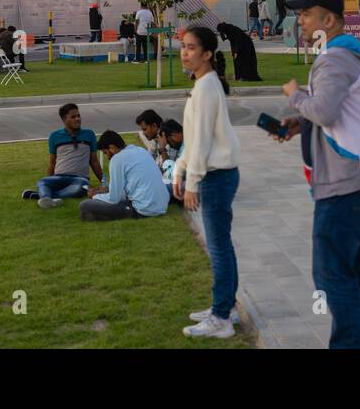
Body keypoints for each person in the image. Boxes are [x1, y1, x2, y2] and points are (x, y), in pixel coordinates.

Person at [275, 0, 360, 350]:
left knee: (332, 275)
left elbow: (326, 109)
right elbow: (340, 112)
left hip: (347, 188)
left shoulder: (332, 59)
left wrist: (295, 96)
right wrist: (301, 120)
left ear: (328, 20)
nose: (300, 22)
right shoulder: (352, 57)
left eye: (305, 15)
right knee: (358, 271)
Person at [174, 26, 242, 339]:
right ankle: (225, 308)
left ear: (207, 54)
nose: (185, 53)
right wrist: (180, 169)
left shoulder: (206, 87)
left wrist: (191, 183)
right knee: (221, 246)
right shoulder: (204, 83)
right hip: (215, 174)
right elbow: (194, 138)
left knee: (218, 248)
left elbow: (200, 141)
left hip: (217, 177)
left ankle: (221, 318)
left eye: (191, 48)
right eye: (183, 47)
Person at [21, 103, 103, 208]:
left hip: (80, 179)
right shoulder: (54, 136)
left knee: (79, 189)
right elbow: (52, 162)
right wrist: (50, 180)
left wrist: (103, 182)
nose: (77, 119)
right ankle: (46, 197)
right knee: (42, 182)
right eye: (73, 117)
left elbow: (94, 162)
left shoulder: (89, 134)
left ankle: (44, 197)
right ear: (64, 119)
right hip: (59, 177)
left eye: (78, 116)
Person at [79, 130, 170, 221]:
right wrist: (106, 191)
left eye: (105, 152)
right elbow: (127, 189)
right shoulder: (141, 150)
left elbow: (114, 199)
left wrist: (95, 195)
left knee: (84, 205)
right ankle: (98, 215)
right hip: (162, 206)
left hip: (143, 209)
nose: (107, 157)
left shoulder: (117, 159)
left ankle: (98, 215)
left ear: (112, 147)